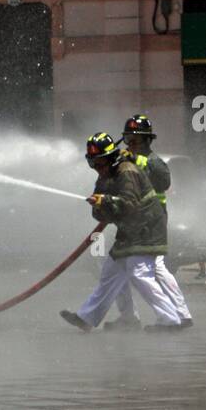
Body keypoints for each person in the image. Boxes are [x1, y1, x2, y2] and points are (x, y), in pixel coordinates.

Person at [60, 132, 183, 333]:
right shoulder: (104, 177)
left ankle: (170, 319)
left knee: (140, 273)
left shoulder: (127, 172)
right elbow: (100, 215)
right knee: (110, 271)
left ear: (110, 158)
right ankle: (87, 318)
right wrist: (100, 206)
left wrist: (106, 201)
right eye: (94, 165)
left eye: (100, 163)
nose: (98, 169)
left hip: (147, 228)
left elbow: (130, 205)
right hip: (130, 230)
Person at [110, 114, 192, 328]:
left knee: (152, 266)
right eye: (128, 139)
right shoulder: (132, 160)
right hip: (138, 218)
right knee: (126, 264)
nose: (130, 144)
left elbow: (163, 182)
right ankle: (177, 314)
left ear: (147, 140)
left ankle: (176, 315)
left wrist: (135, 161)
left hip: (151, 219)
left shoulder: (154, 161)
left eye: (134, 140)